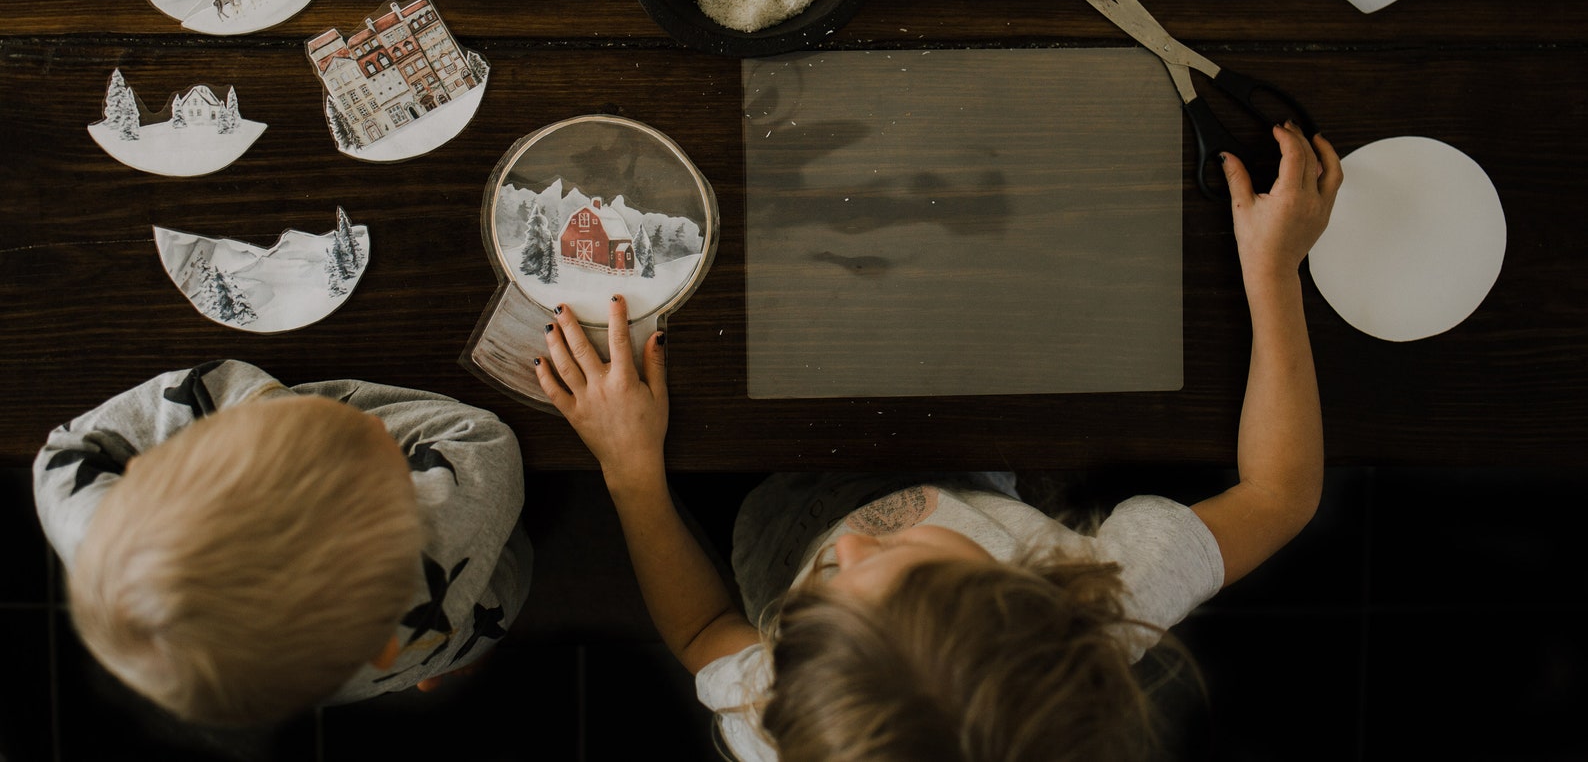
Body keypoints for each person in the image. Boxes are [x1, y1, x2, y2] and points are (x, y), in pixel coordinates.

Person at [536, 122, 1342, 762]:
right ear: (1047, 595)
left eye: (810, 615)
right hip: (971, 463)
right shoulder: (1109, 600)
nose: (846, 553)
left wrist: (631, 472)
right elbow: (1279, 493)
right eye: (893, 562)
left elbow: (704, 626)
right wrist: (1274, 271)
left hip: (773, 520)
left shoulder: (792, 725)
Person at [33, 359, 533, 727]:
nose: (376, 428)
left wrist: (278, 425)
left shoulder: (108, 541)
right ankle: (457, 651)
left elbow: (62, 452)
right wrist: (298, 424)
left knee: (421, 653)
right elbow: (482, 440)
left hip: (336, 670)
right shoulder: (411, 571)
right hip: (435, 609)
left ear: (143, 469)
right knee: (479, 609)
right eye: (378, 476)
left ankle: (430, 658)